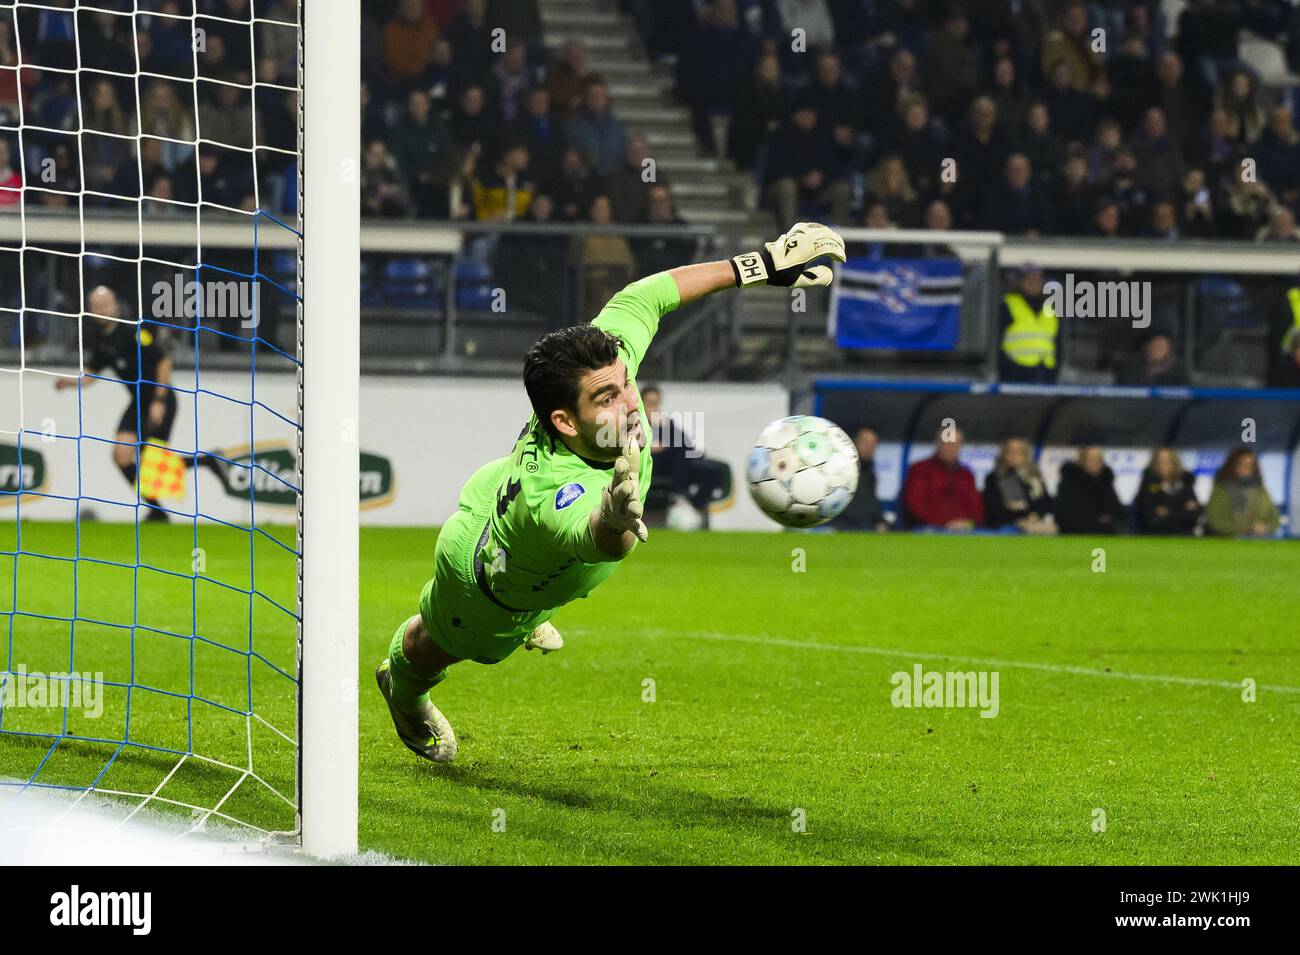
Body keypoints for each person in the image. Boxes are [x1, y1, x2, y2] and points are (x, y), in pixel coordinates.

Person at [375, 223, 846, 762]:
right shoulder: (550, 490)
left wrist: (759, 265)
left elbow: (646, 295)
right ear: (565, 422)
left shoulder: (607, 370)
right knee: (434, 646)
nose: (627, 402)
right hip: (486, 583)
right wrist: (617, 518)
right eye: (605, 397)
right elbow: (597, 539)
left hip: (500, 501)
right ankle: (403, 691)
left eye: (626, 384)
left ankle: (521, 616)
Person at [52, 286, 218, 522]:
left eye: (105, 305)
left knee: (150, 460)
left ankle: (206, 462)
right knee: (121, 456)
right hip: (139, 401)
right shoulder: (100, 339)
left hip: (160, 398)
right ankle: (158, 509)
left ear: (115, 306)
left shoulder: (134, 331)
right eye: (96, 307)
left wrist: (159, 400)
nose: (101, 310)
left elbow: (164, 363)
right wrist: (68, 383)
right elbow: (92, 373)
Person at [901, 427, 984, 530]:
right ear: (938, 444)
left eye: (955, 444)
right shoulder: (920, 470)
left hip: (964, 530)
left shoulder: (967, 475)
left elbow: (976, 508)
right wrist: (944, 523)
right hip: (929, 528)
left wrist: (967, 523)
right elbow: (915, 504)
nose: (951, 448)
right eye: (947, 443)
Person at [998, 266, 1058, 383]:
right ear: (1020, 281)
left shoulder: (1050, 308)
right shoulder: (1008, 304)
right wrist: (1006, 367)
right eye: (1029, 279)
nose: (1034, 283)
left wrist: (1054, 371)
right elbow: (996, 341)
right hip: (1015, 373)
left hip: (1046, 373)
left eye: (1037, 279)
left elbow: (1058, 342)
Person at [982, 438, 1055, 533]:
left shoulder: (1034, 478)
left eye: (1019, 451)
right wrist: (1021, 510)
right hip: (1004, 524)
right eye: (1010, 451)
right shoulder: (994, 478)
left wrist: (1029, 512)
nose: (1014, 455)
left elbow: (1045, 503)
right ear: (1003, 454)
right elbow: (995, 507)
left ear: (1026, 455)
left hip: (1033, 521)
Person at [1204, 448, 1280, 537]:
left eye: (1249, 465)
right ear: (1232, 465)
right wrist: (1244, 529)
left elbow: (1274, 519)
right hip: (1226, 542)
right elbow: (1214, 520)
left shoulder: (1261, 490)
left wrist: (1265, 527)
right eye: (1240, 464)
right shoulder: (1221, 489)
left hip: (1257, 543)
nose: (1244, 468)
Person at [1054, 446, 1127, 534]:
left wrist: (1110, 520)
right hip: (1075, 536)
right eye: (1090, 459)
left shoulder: (1106, 482)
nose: (1095, 463)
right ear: (1082, 461)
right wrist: (1096, 520)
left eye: (1098, 459)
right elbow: (1065, 515)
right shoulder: (1070, 482)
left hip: (1105, 536)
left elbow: (1117, 511)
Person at [1133, 447, 1201, 535]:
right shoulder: (1148, 486)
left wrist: (1168, 513)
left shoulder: (1186, 484)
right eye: (1159, 461)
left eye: (1168, 461)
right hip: (1154, 536)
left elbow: (1194, 514)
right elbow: (1149, 517)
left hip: (1184, 536)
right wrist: (1181, 511)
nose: (1163, 465)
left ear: (1175, 463)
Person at [830, 427, 886, 531]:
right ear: (854, 444)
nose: (870, 447)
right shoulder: (841, 469)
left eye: (873, 444)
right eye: (865, 443)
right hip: (842, 525)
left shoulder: (869, 472)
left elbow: (872, 501)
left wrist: (880, 520)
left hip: (865, 525)